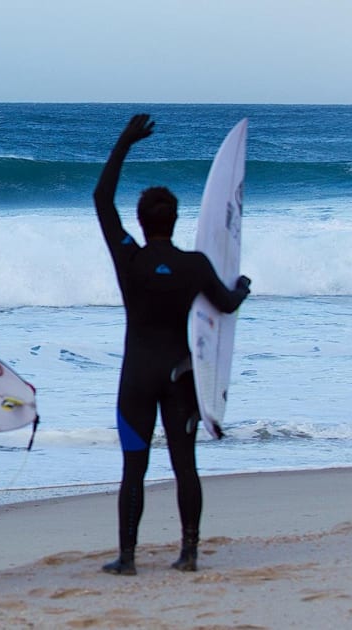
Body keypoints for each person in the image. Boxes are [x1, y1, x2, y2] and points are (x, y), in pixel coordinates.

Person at [94, 114, 251, 575]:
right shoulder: (195, 265)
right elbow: (225, 305)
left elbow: (101, 198)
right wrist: (242, 286)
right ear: (176, 221)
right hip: (181, 377)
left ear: (141, 223)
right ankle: (189, 553)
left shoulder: (130, 258)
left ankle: (127, 558)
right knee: (185, 465)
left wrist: (125, 140)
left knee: (134, 468)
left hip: (136, 378)